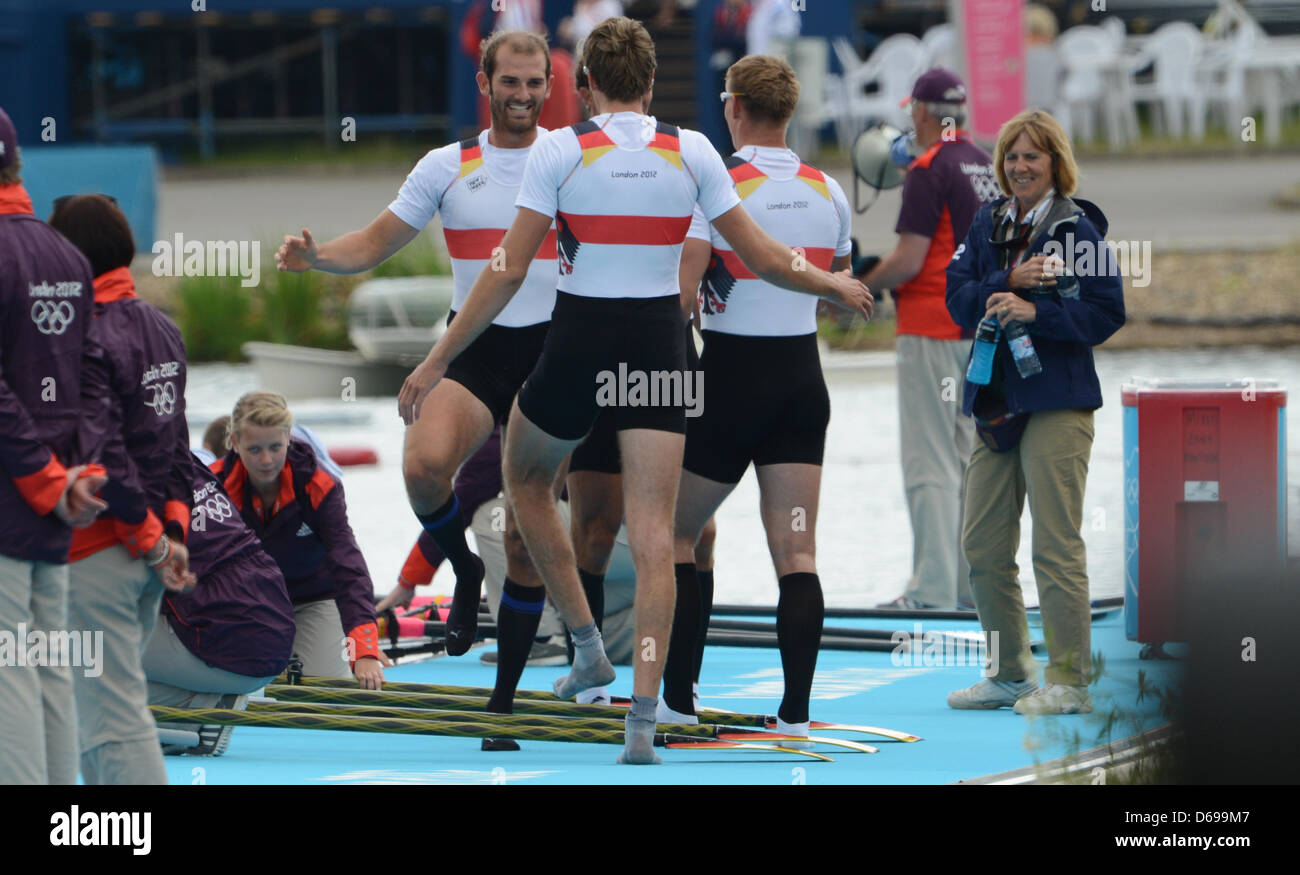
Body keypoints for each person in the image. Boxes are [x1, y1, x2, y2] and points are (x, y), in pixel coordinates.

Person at [398, 17, 872, 764]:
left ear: (583, 85)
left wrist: (436, 360)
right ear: (652, 84)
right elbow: (765, 259)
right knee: (658, 538)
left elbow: (508, 269)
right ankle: (644, 720)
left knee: (525, 482)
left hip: (580, 344)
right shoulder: (692, 150)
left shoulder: (561, 148)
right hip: (659, 349)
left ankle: (587, 645)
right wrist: (832, 283)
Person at [277, 31, 561, 725]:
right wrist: (317, 259)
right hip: (475, 344)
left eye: (534, 83)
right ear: (485, 85)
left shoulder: (570, 158)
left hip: (558, 348)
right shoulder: (447, 165)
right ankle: (463, 570)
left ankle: (524, 683)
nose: (522, 94)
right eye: (510, 82)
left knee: (530, 523)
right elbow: (374, 243)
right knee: (423, 466)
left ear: (548, 88)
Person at [666, 55, 852, 740]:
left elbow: (685, 294)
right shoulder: (827, 189)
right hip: (803, 382)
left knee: (676, 534)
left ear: (735, 107)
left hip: (732, 380)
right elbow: (837, 286)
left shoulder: (716, 183)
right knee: (797, 554)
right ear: (789, 112)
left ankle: (676, 700)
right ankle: (796, 716)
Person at [945, 109, 1124, 715]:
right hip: (994, 404)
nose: (1020, 167)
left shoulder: (1078, 231)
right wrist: (1008, 279)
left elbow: (1107, 314)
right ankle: (1011, 673)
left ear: (1055, 165)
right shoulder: (985, 221)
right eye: (1012, 157)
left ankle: (1070, 680)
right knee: (982, 545)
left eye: (1032, 157)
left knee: (1055, 545)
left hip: (1056, 403)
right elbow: (957, 301)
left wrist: (1035, 312)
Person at [50, 193, 197, 785]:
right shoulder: (164, 328)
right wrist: (173, 535)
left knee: (112, 716)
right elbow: (178, 447)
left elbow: (103, 454)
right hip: (148, 552)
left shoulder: (83, 335)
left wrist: (150, 540)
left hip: (106, 551)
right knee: (97, 709)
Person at [860, 69, 999, 611]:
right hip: (978, 332)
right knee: (968, 460)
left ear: (919, 112)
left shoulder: (926, 169)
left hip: (931, 327)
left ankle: (930, 590)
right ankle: (968, 587)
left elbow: (909, 260)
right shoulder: (983, 161)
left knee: (929, 462)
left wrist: (853, 286)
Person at [0, 107, 111, 785]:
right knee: (48, 663)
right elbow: (93, 378)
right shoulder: (66, 254)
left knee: (9, 665)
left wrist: (43, 474)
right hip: (59, 499)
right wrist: (79, 473)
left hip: (15, 491)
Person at [211, 392, 388, 688]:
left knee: (325, 689)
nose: (266, 460)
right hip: (247, 602)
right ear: (234, 443)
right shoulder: (212, 487)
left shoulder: (320, 484)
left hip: (313, 598)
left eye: (275, 447)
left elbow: (348, 564)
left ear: (289, 438)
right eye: (254, 449)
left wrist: (363, 648)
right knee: (231, 677)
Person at [145, 452, 295, 756]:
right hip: (274, 630)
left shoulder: (121, 477)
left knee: (76, 647)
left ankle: (196, 709)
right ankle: (198, 700)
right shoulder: (191, 462)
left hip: (227, 642)